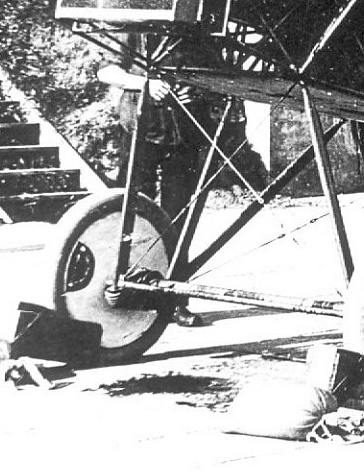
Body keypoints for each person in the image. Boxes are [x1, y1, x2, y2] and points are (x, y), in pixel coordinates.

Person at [98, 35, 251, 328]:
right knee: (133, 215)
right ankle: (127, 291)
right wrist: (146, 85)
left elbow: (217, 77)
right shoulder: (137, 27)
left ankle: (175, 302)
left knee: (180, 216)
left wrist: (202, 93)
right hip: (140, 130)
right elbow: (106, 71)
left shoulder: (195, 35)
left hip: (185, 134)